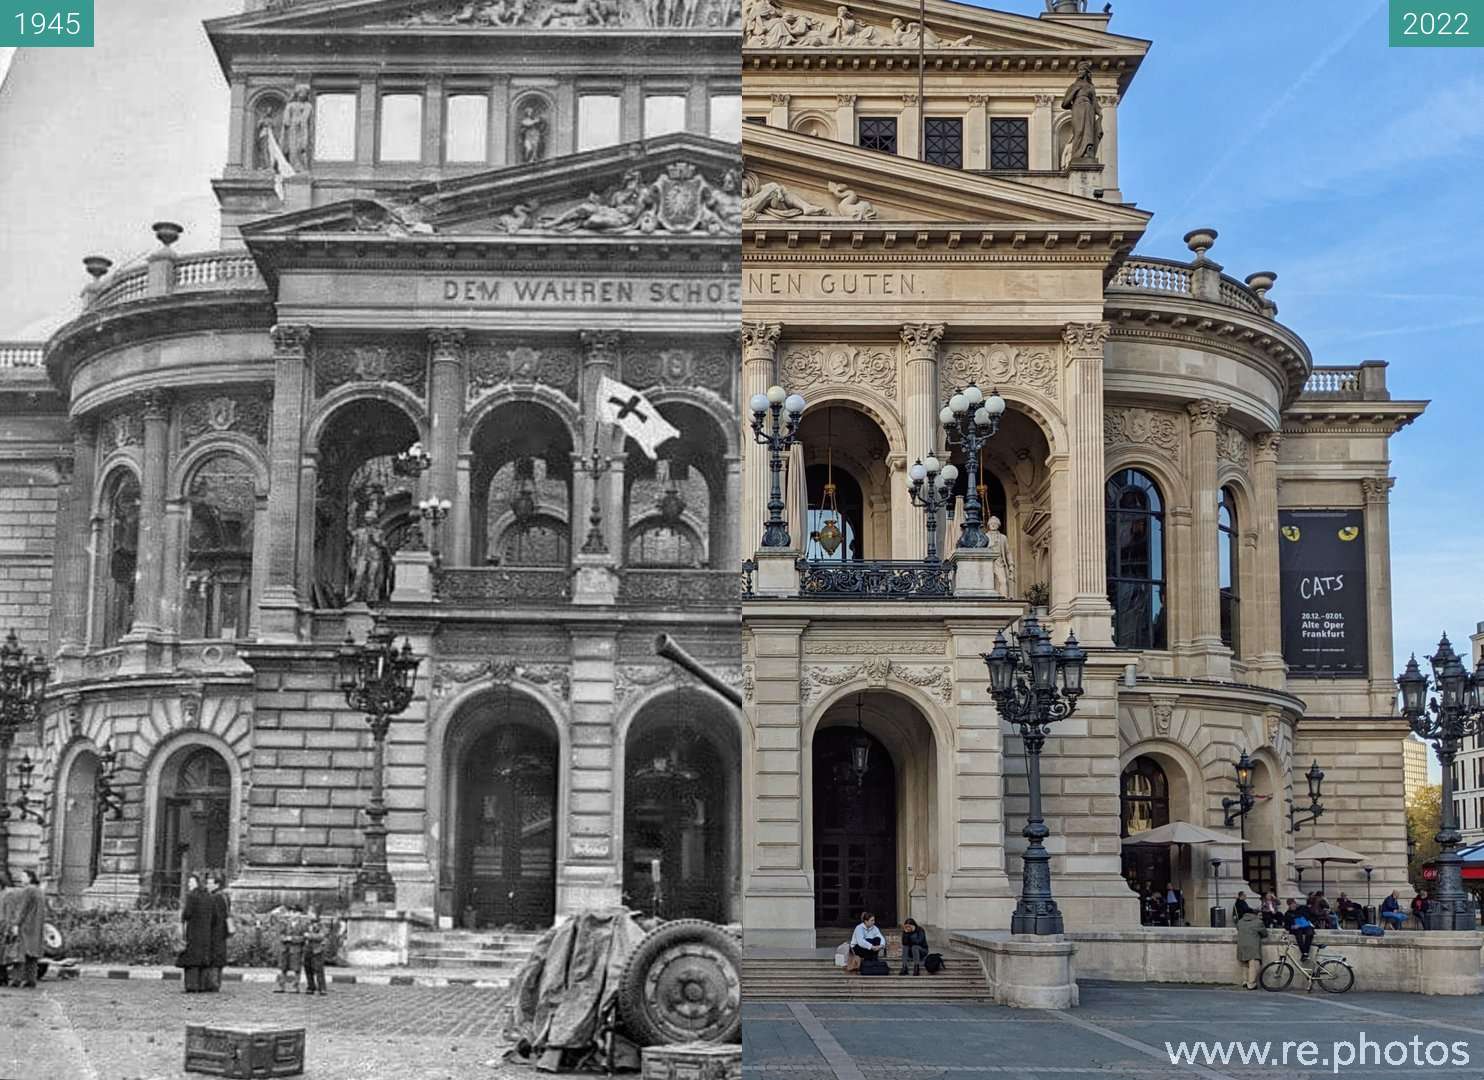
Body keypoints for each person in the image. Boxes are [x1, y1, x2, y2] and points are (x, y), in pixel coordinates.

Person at [7, 870, 45, 989]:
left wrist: (15, 924)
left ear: (30, 878)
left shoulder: (28, 890)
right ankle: (31, 979)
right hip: (36, 926)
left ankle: (17, 979)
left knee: (20, 954)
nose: (21, 878)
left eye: (23, 876)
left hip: (26, 926)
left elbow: (22, 909)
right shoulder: (39, 891)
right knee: (32, 955)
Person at [178, 873, 213, 993]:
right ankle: (202, 985)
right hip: (206, 932)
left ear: (196, 883)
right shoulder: (208, 896)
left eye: (191, 882)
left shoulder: (192, 896)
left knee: (192, 961)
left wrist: (182, 917)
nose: (189, 884)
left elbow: (187, 913)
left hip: (194, 931)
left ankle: (192, 985)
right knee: (203, 960)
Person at [205, 872, 231, 992]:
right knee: (219, 956)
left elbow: (213, 915)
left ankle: (213, 983)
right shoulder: (224, 896)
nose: (207, 885)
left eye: (210, 883)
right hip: (223, 930)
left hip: (215, 930)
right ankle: (216, 982)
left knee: (214, 957)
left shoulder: (215, 897)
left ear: (217, 884)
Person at [1235, 904, 1266, 990]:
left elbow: (1238, 928)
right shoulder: (1258, 922)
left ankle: (1245, 981)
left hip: (1241, 945)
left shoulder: (1240, 921)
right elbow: (1264, 933)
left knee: (1245, 964)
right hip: (1253, 945)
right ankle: (1251, 983)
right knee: (1254, 965)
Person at [276, 907, 305, 994]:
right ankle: (281, 986)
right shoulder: (285, 923)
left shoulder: (303, 925)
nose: (293, 914)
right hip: (285, 948)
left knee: (296, 969)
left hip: (296, 949)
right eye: (292, 912)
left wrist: (292, 938)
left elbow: (304, 937)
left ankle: (295, 987)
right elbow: (280, 934)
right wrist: (284, 938)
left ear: (300, 914)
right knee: (283, 968)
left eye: (296, 912)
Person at [302, 907, 328, 996]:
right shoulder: (306, 924)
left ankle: (322, 988)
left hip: (317, 950)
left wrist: (309, 936)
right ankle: (311, 986)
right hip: (307, 949)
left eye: (310, 913)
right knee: (308, 969)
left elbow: (321, 936)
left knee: (319, 969)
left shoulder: (321, 925)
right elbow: (302, 934)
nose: (308, 915)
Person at [1284, 896, 1316, 963]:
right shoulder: (1288, 913)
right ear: (1289, 906)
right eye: (1291, 905)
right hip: (1297, 929)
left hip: (1306, 926)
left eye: (1293, 904)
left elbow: (1313, 916)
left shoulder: (1304, 908)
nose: (1293, 906)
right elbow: (1286, 926)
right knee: (1299, 935)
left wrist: (1309, 922)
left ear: (1295, 903)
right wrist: (1292, 926)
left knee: (1310, 934)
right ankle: (1304, 953)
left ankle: (1305, 953)